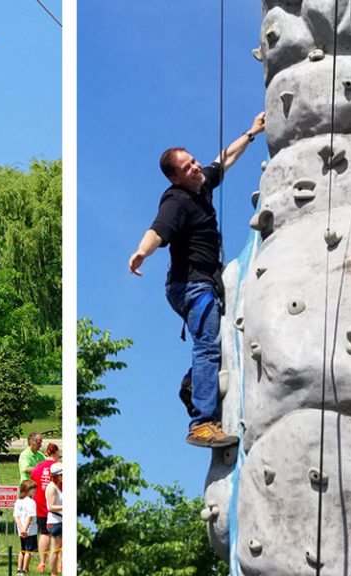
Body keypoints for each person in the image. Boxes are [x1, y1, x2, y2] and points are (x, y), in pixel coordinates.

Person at [128, 112, 266, 448]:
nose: (195, 167)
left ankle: (193, 383)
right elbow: (158, 231)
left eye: (193, 161)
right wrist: (141, 253)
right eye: (187, 167)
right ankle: (201, 424)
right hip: (190, 285)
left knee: (213, 342)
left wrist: (251, 133)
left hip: (204, 284)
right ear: (174, 178)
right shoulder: (176, 200)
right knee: (206, 345)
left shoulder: (202, 181)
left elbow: (225, 159)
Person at [30, 443, 60, 571]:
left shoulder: (38, 467)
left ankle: (42, 562)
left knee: (44, 533)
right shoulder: (58, 467)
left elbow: (33, 481)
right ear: (56, 453)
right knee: (58, 536)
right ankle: (60, 564)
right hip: (56, 505)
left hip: (41, 503)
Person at [14, 479, 39, 575]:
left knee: (22, 549)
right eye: (32, 488)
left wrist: (20, 528)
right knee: (28, 550)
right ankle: (25, 569)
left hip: (21, 530)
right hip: (30, 530)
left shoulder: (18, 501)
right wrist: (25, 528)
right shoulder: (31, 502)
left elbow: (16, 516)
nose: (34, 490)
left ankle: (19, 568)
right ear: (26, 490)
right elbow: (30, 516)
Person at [45, 462, 63, 576]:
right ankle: (53, 573)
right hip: (55, 521)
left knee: (57, 549)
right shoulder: (51, 487)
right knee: (55, 550)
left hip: (59, 520)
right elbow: (50, 506)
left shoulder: (56, 487)